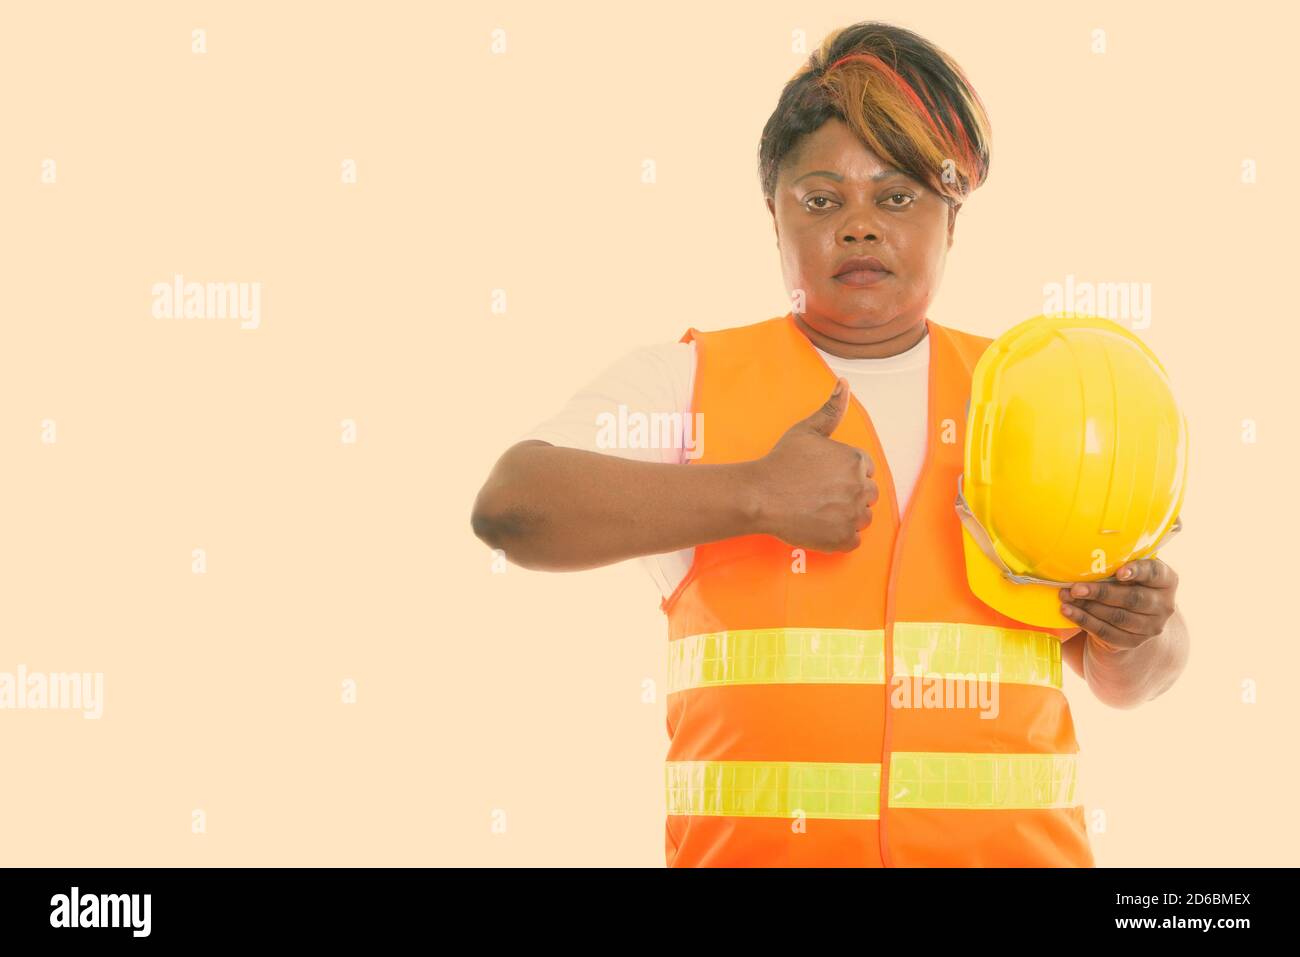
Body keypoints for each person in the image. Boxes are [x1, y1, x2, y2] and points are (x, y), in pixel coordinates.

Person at [471, 20, 1188, 867]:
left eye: (896, 197)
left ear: (950, 221)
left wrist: (1136, 629)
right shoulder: (687, 383)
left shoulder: (1035, 391)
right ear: (772, 214)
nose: (858, 226)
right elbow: (512, 507)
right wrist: (754, 494)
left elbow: (1128, 682)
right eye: (821, 199)